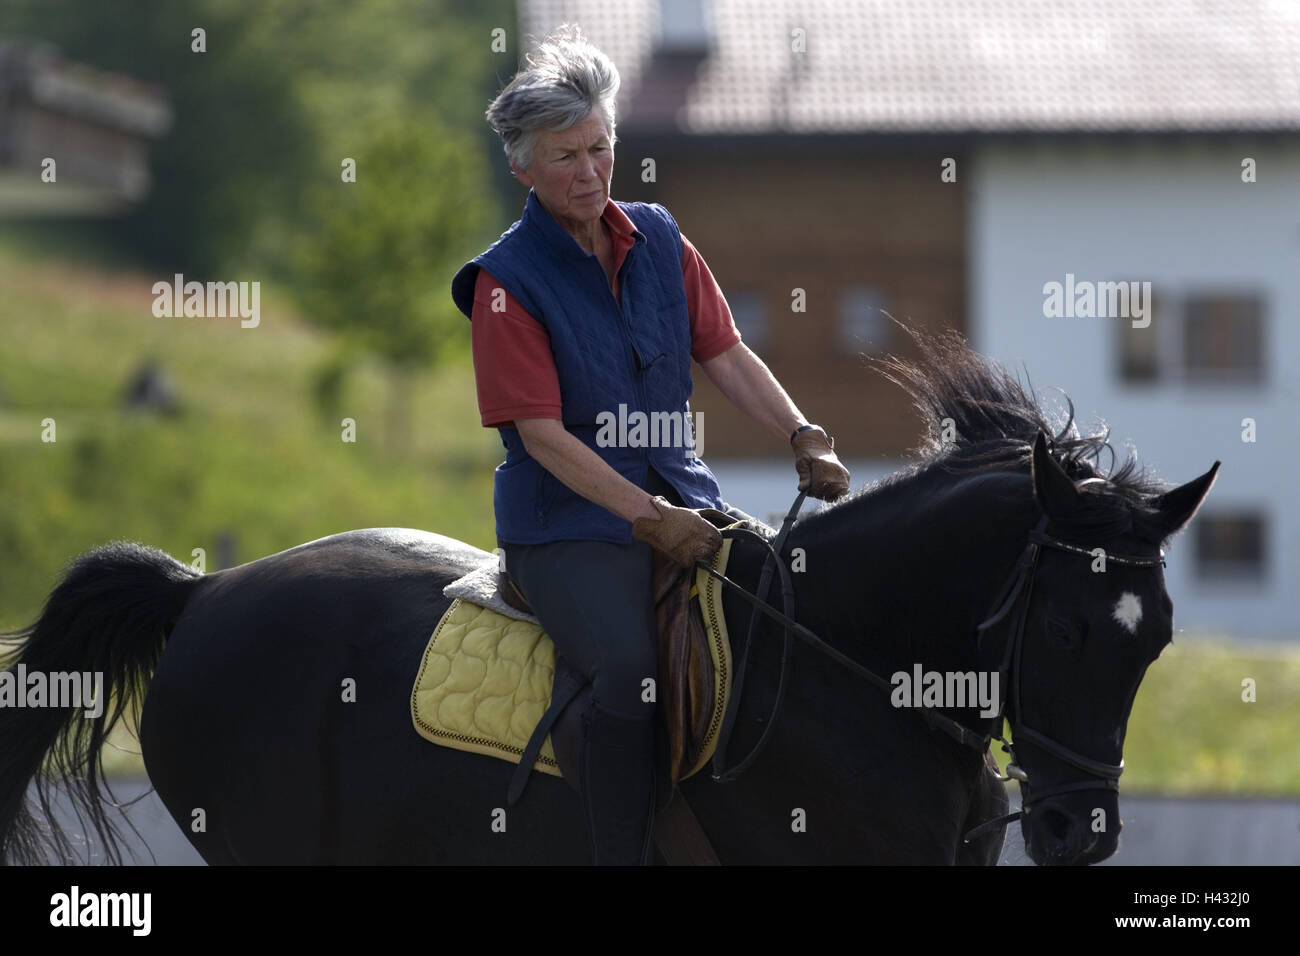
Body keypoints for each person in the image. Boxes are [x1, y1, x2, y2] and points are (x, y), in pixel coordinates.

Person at [450, 24, 850, 865]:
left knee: (790, 619)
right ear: (522, 168)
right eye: (564, 156)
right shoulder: (503, 284)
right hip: (565, 528)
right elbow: (544, 438)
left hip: (688, 501)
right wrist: (648, 518)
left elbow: (726, 352)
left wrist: (800, 431)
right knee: (631, 676)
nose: (590, 170)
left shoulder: (661, 238)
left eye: (599, 147)